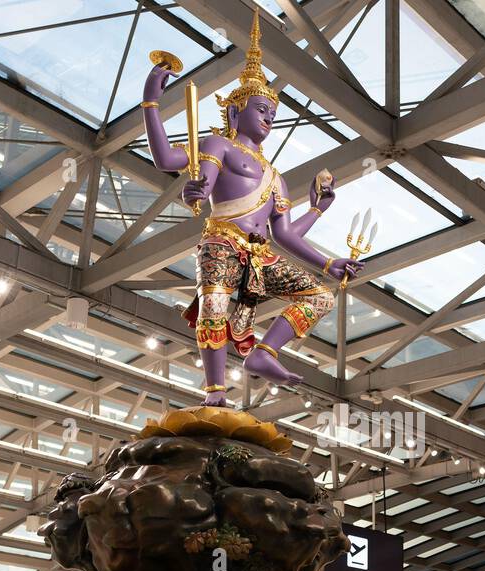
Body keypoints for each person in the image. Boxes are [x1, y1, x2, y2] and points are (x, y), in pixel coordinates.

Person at [140, 10, 364, 404]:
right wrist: (151, 104)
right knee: (214, 304)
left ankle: (264, 353)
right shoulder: (218, 146)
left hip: (260, 257)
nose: (268, 119)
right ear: (234, 111)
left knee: (319, 297)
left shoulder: (276, 176)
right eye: (262, 110)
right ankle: (215, 392)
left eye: (273, 115)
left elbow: (285, 234)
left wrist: (320, 226)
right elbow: (169, 162)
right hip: (223, 243)